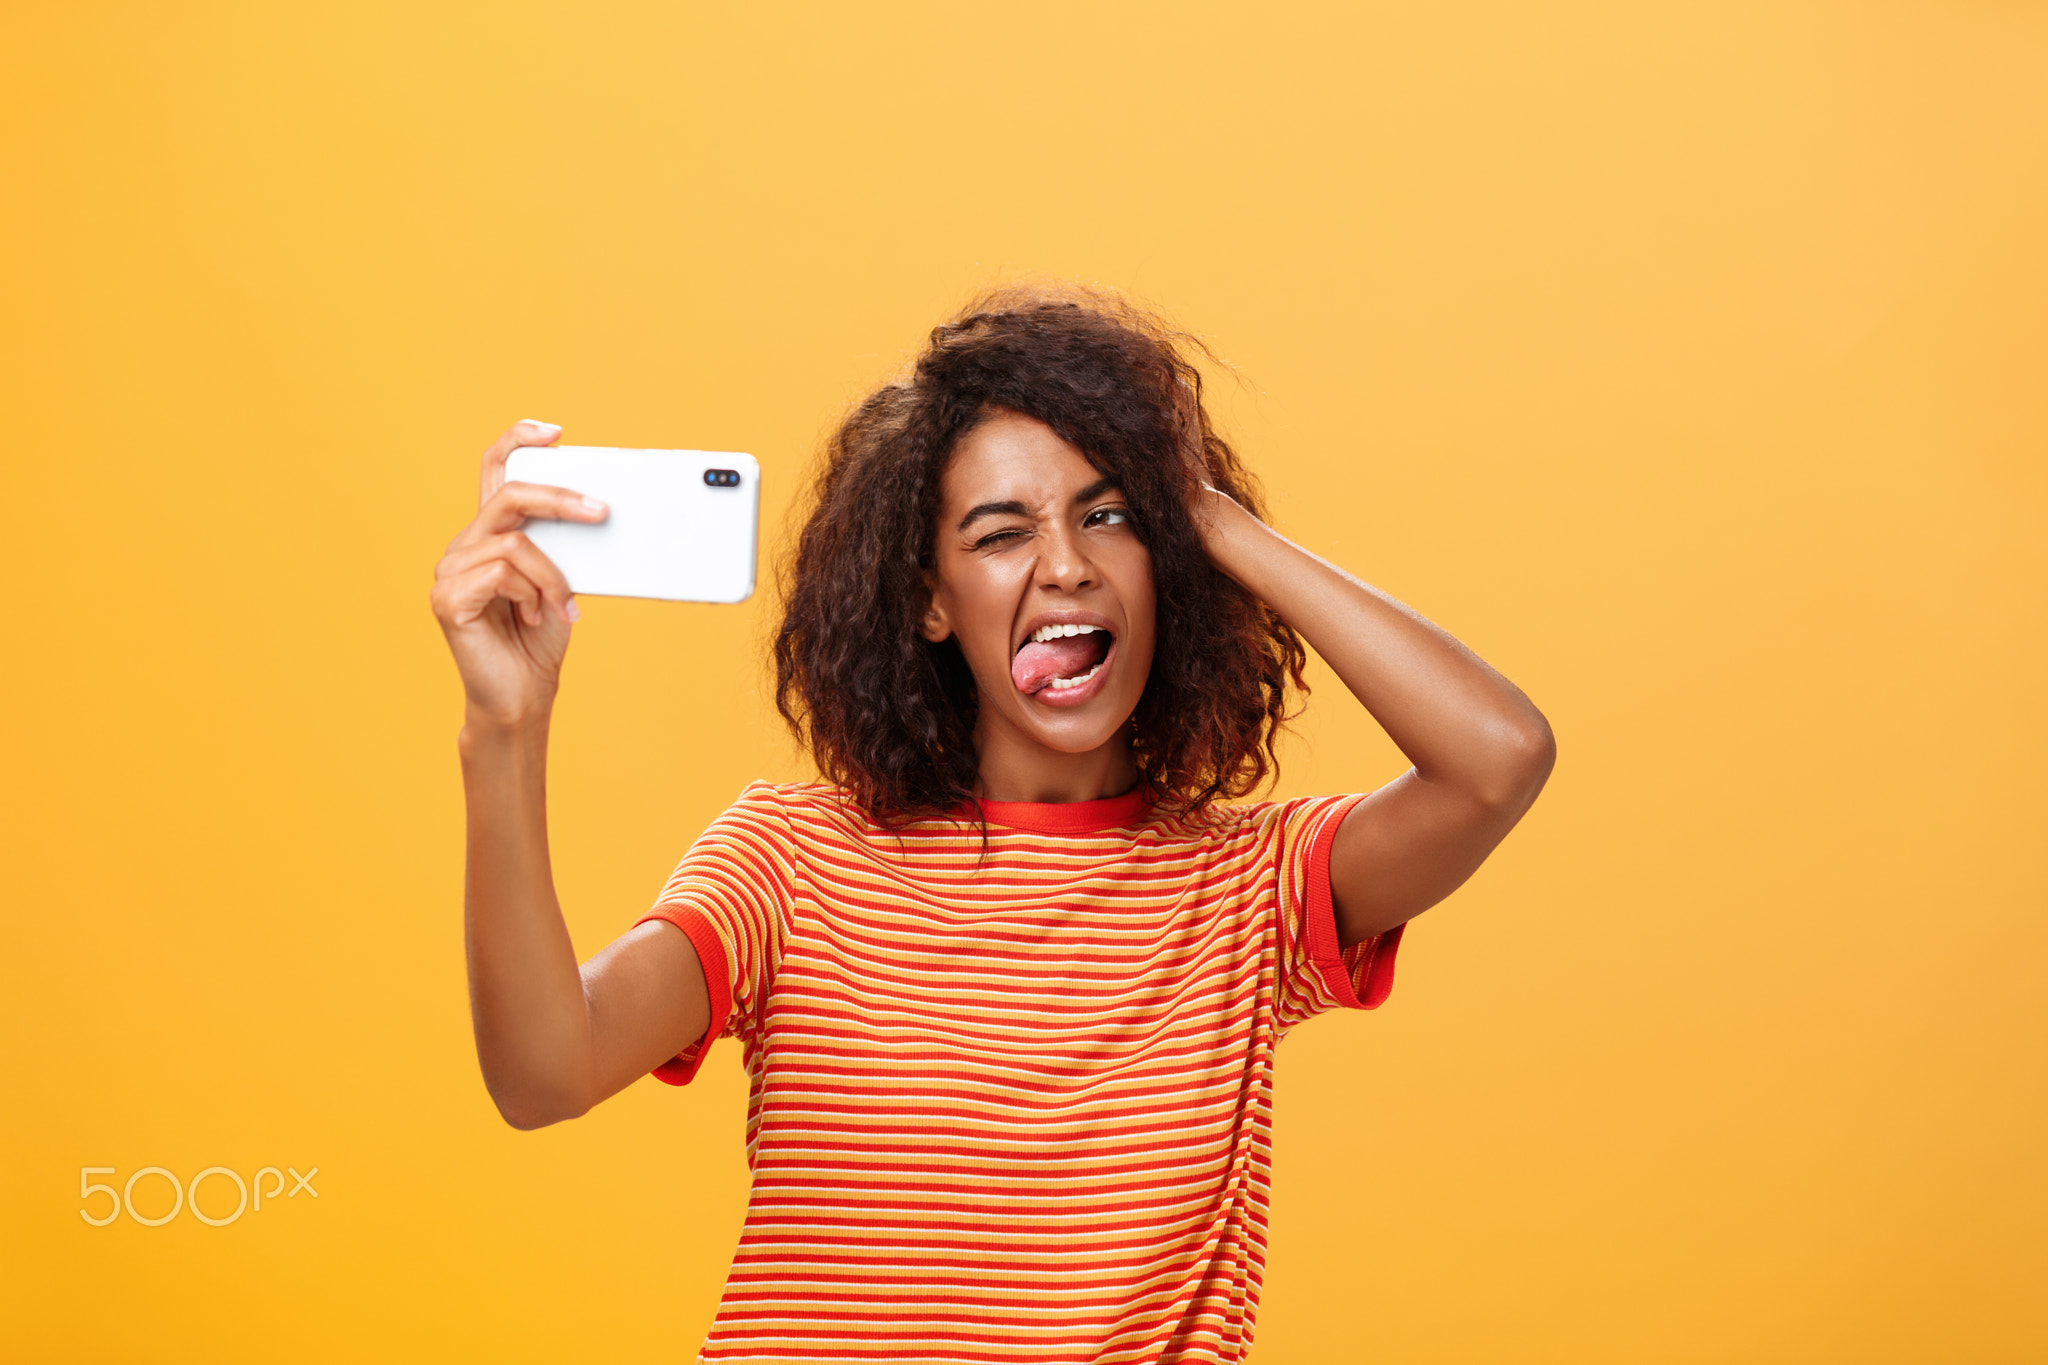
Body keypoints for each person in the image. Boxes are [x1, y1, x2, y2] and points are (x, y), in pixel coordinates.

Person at [429, 284, 1555, 1362]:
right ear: (927, 598)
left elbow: (1495, 758)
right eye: (1001, 533)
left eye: (1106, 517)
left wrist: (1200, 513)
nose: (1066, 566)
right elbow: (544, 1074)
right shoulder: (788, 861)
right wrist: (506, 726)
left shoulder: (1251, 886)